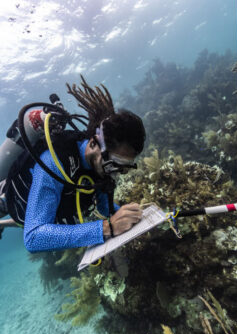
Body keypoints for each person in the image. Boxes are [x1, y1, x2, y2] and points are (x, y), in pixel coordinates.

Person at [0, 78, 146, 252]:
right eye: (116, 164)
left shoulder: (100, 165)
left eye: (125, 167)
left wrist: (130, 215)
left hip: (46, 210)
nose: (117, 173)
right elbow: (33, 238)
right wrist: (108, 228)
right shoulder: (55, 161)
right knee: (24, 214)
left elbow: (104, 207)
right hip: (11, 199)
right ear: (94, 144)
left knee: (40, 213)